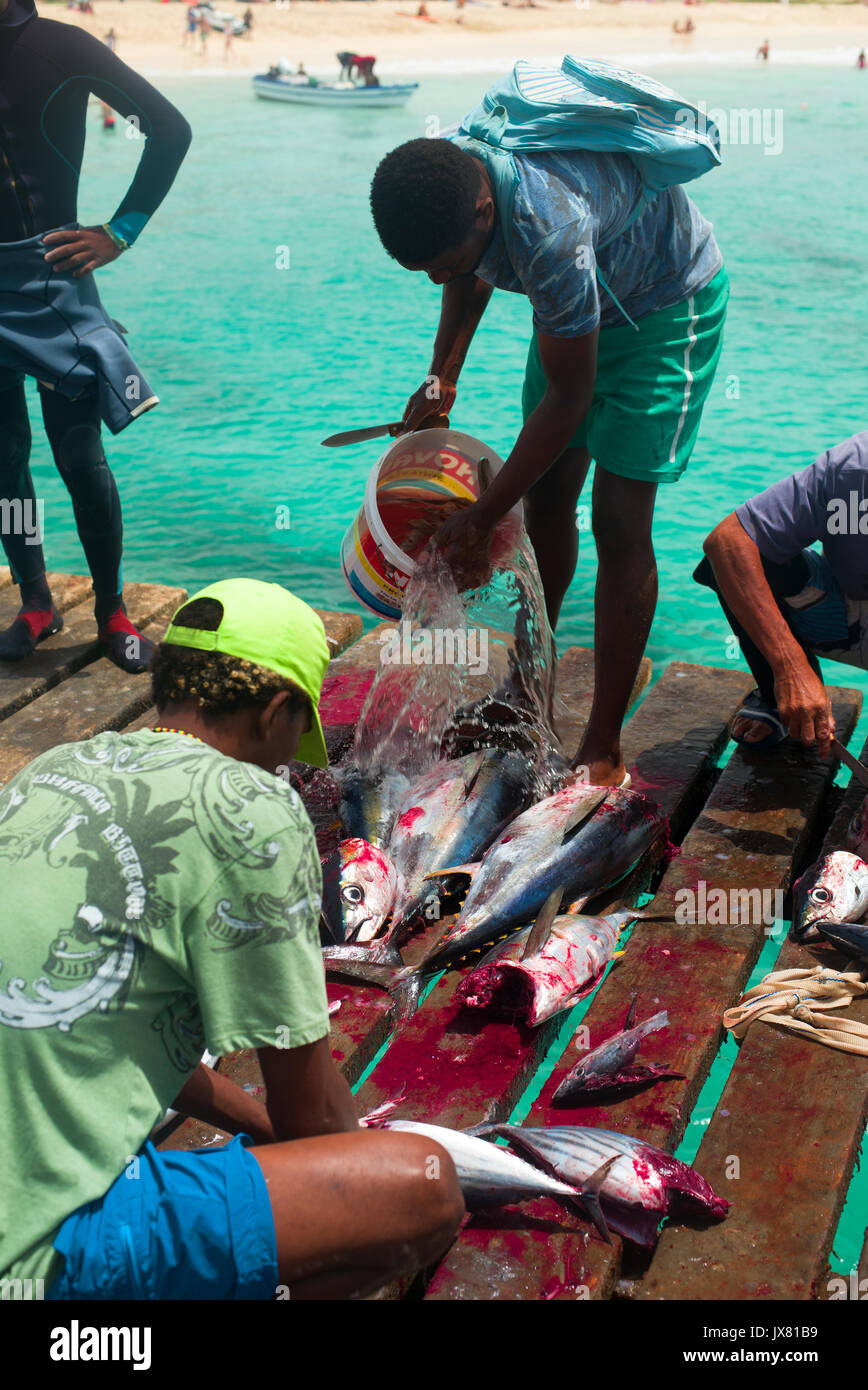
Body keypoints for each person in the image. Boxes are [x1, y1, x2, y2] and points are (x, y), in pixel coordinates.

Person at [0, 577, 464, 1300]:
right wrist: (354, 1165)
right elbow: (311, 1115)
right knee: (424, 1191)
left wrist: (263, 1131)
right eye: (291, 742)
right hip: (43, 1257)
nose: (286, 767)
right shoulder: (252, 804)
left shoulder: (52, 769)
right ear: (277, 711)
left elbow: (103, 1025)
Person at [369, 67, 728, 787]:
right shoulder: (451, 167)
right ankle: (523, 696)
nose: (439, 282)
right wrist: (444, 375)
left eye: (443, 265)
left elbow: (568, 399)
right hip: (577, 316)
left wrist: (480, 516)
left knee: (619, 522)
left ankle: (601, 743)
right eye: (423, 274)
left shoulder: (546, 225)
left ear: (482, 212)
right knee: (548, 499)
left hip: (664, 310)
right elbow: (467, 277)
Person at [0, 0, 191, 672]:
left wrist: (120, 231)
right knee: (4, 463)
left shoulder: (62, 46)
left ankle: (112, 610)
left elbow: (168, 129)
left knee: (78, 460)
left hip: (53, 279)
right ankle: (35, 601)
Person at [697, 431, 868, 753]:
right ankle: (776, 694)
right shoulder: (855, 465)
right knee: (738, 558)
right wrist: (791, 667)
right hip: (846, 610)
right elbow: (728, 540)